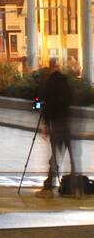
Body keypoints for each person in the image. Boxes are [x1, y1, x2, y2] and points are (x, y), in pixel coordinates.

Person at [36, 66, 79, 197]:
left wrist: (45, 124)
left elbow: (45, 106)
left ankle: (49, 186)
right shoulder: (65, 85)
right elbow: (70, 99)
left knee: (54, 158)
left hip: (55, 125)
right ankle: (76, 188)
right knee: (72, 158)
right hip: (66, 123)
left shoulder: (49, 85)